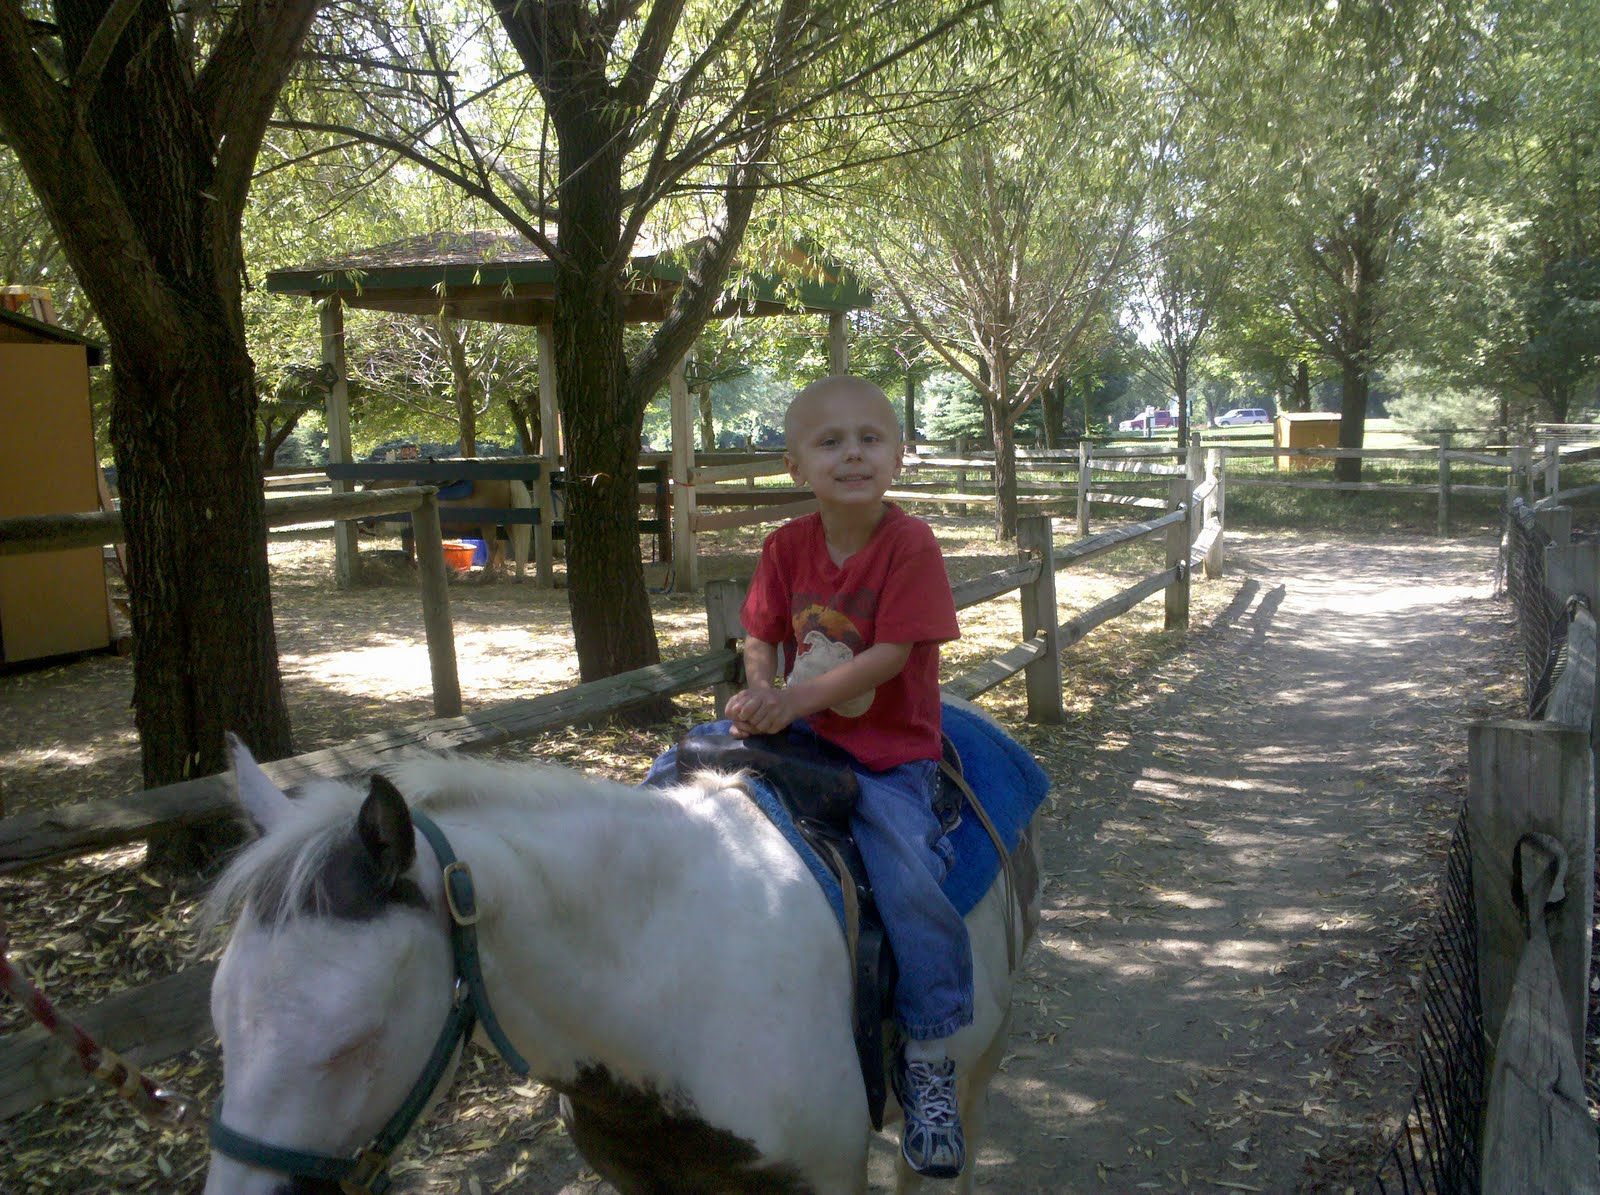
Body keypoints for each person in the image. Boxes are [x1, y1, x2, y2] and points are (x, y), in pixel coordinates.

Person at [643, 375, 972, 1177]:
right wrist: (759, 690)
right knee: (666, 779)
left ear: (897, 454)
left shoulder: (910, 544)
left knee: (906, 873)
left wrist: (788, 699)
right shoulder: (786, 546)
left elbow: (890, 655)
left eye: (870, 437)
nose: (852, 451)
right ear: (797, 464)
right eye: (830, 441)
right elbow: (758, 631)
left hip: (888, 751)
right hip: (799, 727)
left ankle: (928, 1053)